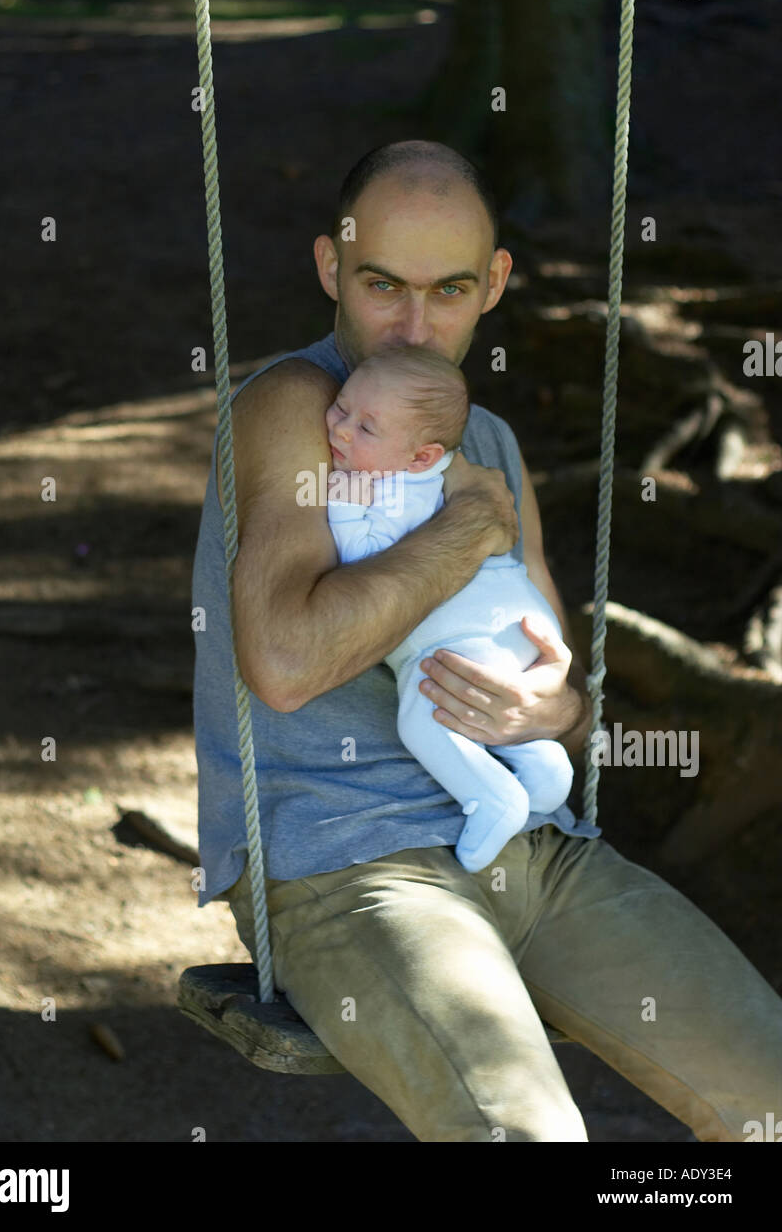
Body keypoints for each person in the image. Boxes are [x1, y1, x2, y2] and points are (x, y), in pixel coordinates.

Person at [192, 139, 782, 1142]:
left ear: (496, 283)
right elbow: (284, 663)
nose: (414, 326)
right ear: (332, 268)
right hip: (349, 866)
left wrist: (548, 705)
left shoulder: (492, 441)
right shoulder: (297, 410)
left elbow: (561, 687)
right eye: (382, 284)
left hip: (534, 851)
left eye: (451, 289)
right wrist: (464, 526)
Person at [323, 343, 574, 872]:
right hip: (516, 626)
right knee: (480, 705)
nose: (342, 430)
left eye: (366, 429)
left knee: (427, 712)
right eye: (342, 408)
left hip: (465, 630)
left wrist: (343, 504)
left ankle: (492, 799)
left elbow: (370, 573)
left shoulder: (391, 491)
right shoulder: (431, 478)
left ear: (422, 457)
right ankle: (542, 766)